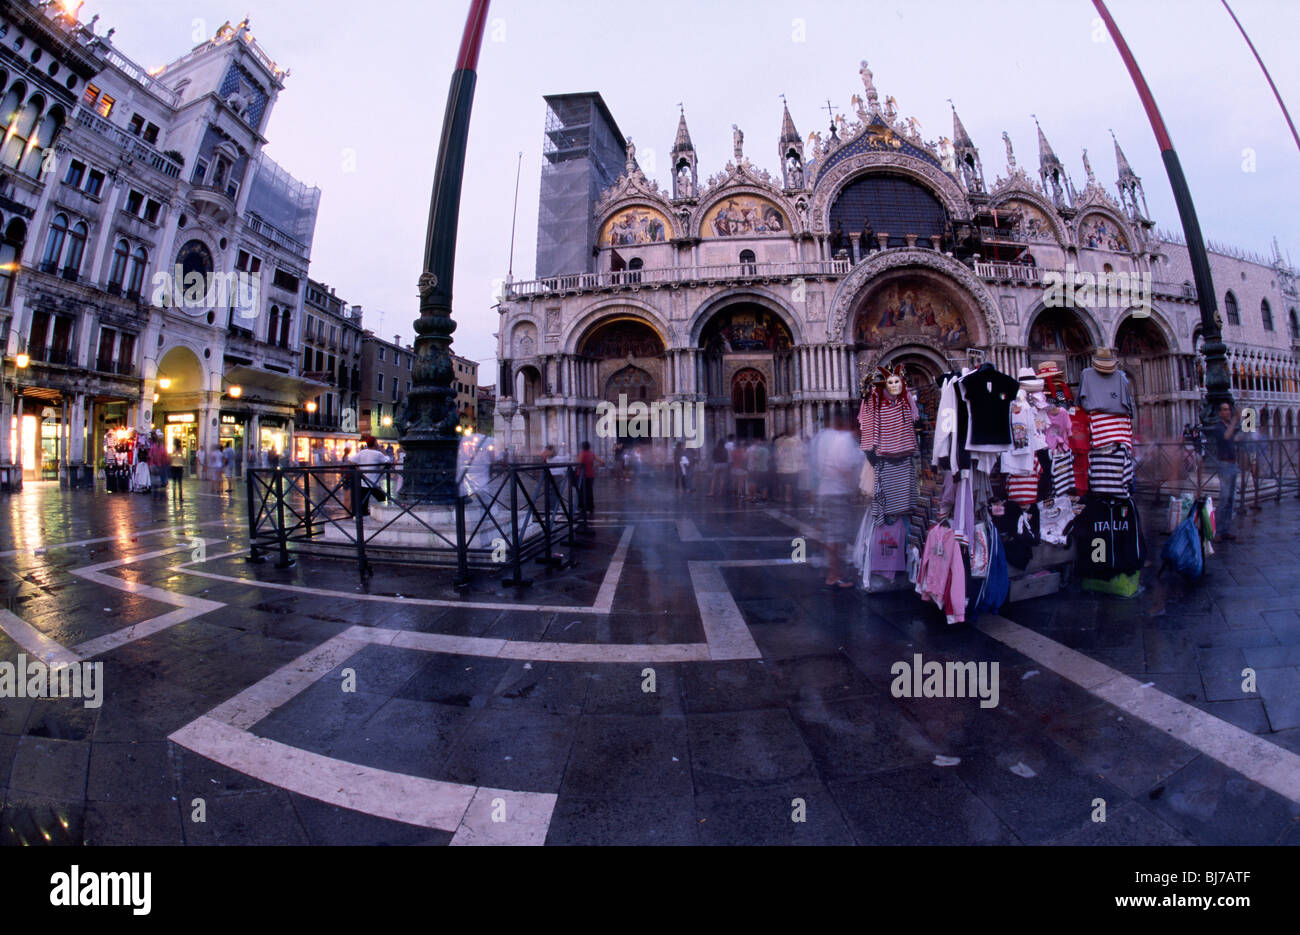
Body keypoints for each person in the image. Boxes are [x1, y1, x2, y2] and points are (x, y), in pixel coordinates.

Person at [809, 408, 866, 586]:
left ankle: (827, 569)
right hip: (838, 492)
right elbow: (846, 466)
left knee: (828, 532)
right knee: (838, 535)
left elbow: (812, 461)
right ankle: (834, 575)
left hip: (823, 490)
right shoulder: (845, 439)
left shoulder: (823, 436)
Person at [1205, 402, 1240, 541]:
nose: (1227, 412)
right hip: (1224, 465)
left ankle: (1226, 529)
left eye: (1228, 410)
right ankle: (1217, 531)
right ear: (1220, 413)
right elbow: (1226, 436)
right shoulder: (1219, 427)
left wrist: (1245, 433)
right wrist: (1235, 420)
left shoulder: (1228, 427)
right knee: (1224, 499)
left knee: (1231, 500)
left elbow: (1233, 438)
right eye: (1224, 410)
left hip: (1233, 464)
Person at [349, 436, 392, 516]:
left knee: (363, 503)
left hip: (364, 481)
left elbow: (351, 460)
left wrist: (358, 469)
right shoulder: (378, 454)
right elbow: (388, 460)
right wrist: (382, 450)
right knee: (382, 499)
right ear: (375, 443)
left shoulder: (362, 452)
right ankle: (383, 515)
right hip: (374, 482)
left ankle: (362, 516)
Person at [577, 441, 603, 513]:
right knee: (589, 491)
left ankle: (581, 507)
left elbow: (578, 464)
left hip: (582, 475)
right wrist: (595, 467)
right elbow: (602, 461)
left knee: (581, 491)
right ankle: (590, 507)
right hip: (591, 474)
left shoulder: (581, 454)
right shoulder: (592, 454)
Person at [148, 431, 169, 498]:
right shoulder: (162, 448)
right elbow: (165, 457)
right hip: (159, 466)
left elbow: (150, 455)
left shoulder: (153, 447)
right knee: (160, 481)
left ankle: (155, 495)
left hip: (154, 465)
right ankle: (160, 495)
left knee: (155, 481)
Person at [169, 439, 185, 503]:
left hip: (174, 466)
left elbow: (171, 457)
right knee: (179, 483)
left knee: (175, 483)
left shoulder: (174, 450)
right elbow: (183, 458)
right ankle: (180, 497)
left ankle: (174, 497)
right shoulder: (180, 450)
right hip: (179, 467)